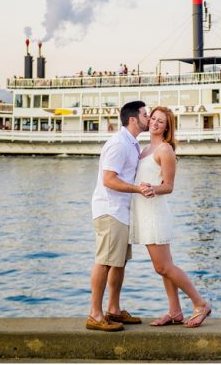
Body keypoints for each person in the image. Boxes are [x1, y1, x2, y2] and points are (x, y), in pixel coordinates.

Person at [130, 107, 212, 328]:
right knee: (165, 265)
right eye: (153, 119)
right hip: (144, 212)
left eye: (161, 121)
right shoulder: (145, 149)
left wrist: (153, 189)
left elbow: (169, 186)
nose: (155, 123)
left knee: (163, 267)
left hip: (155, 211)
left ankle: (200, 303)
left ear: (167, 127)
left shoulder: (165, 150)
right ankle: (175, 311)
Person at [87, 100, 151, 332]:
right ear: (133, 119)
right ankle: (95, 314)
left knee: (119, 262)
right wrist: (138, 189)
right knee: (104, 261)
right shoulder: (119, 144)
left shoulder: (132, 144)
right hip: (110, 209)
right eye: (145, 114)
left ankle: (113, 309)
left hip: (121, 211)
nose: (149, 117)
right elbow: (109, 180)